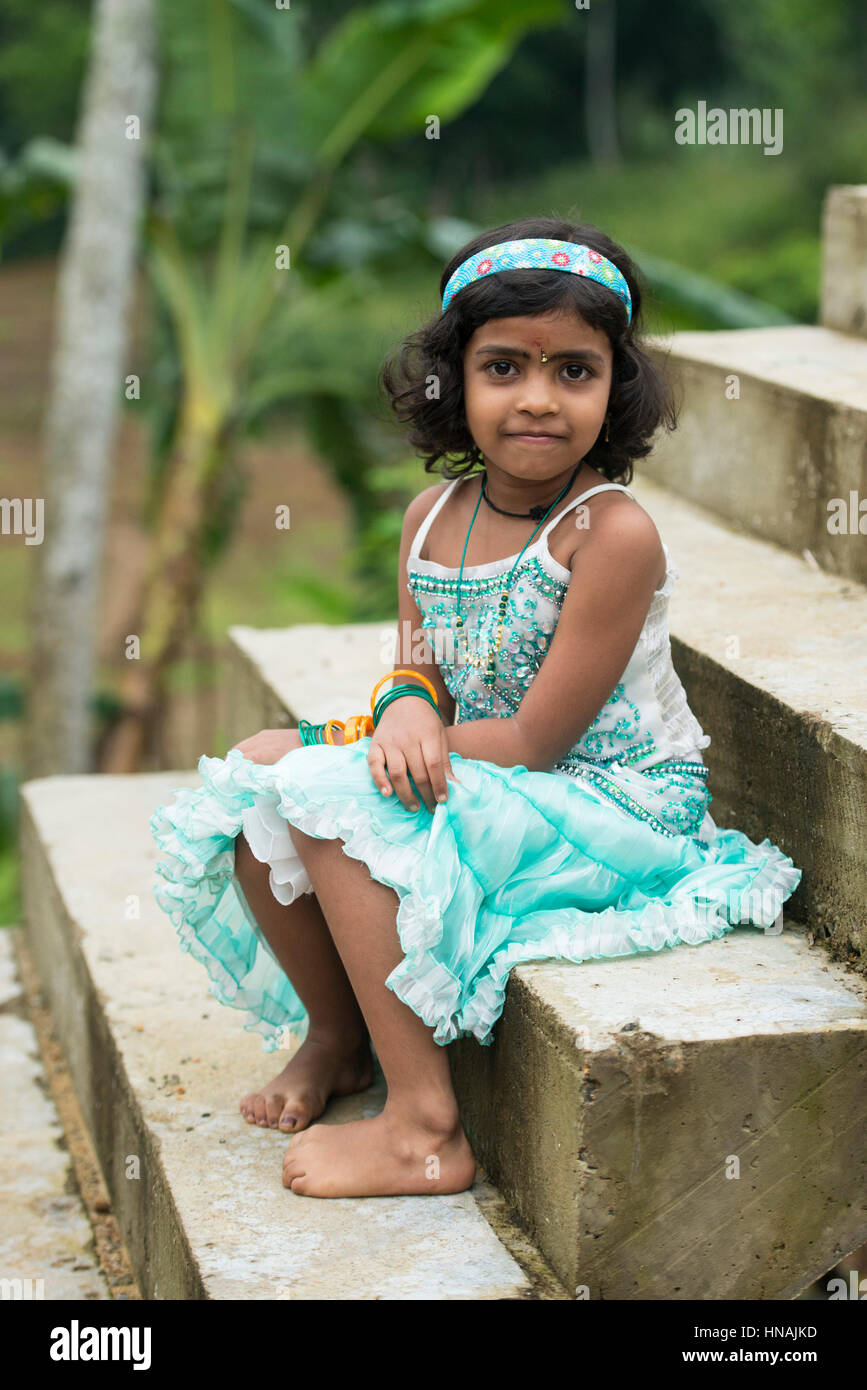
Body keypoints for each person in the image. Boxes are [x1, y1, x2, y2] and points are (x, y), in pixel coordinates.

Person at [150, 215, 802, 1199]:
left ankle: (425, 1126)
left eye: (573, 372)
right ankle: (339, 1040)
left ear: (613, 389)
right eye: (504, 367)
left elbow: (538, 738)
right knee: (261, 782)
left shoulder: (610, 533)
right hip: (499, 771)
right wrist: (396, 708)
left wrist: (348, 740)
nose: (538, 399)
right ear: (452, 379)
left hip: (615, 804)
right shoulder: (434, 516)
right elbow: (421, 669)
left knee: (338, 796)